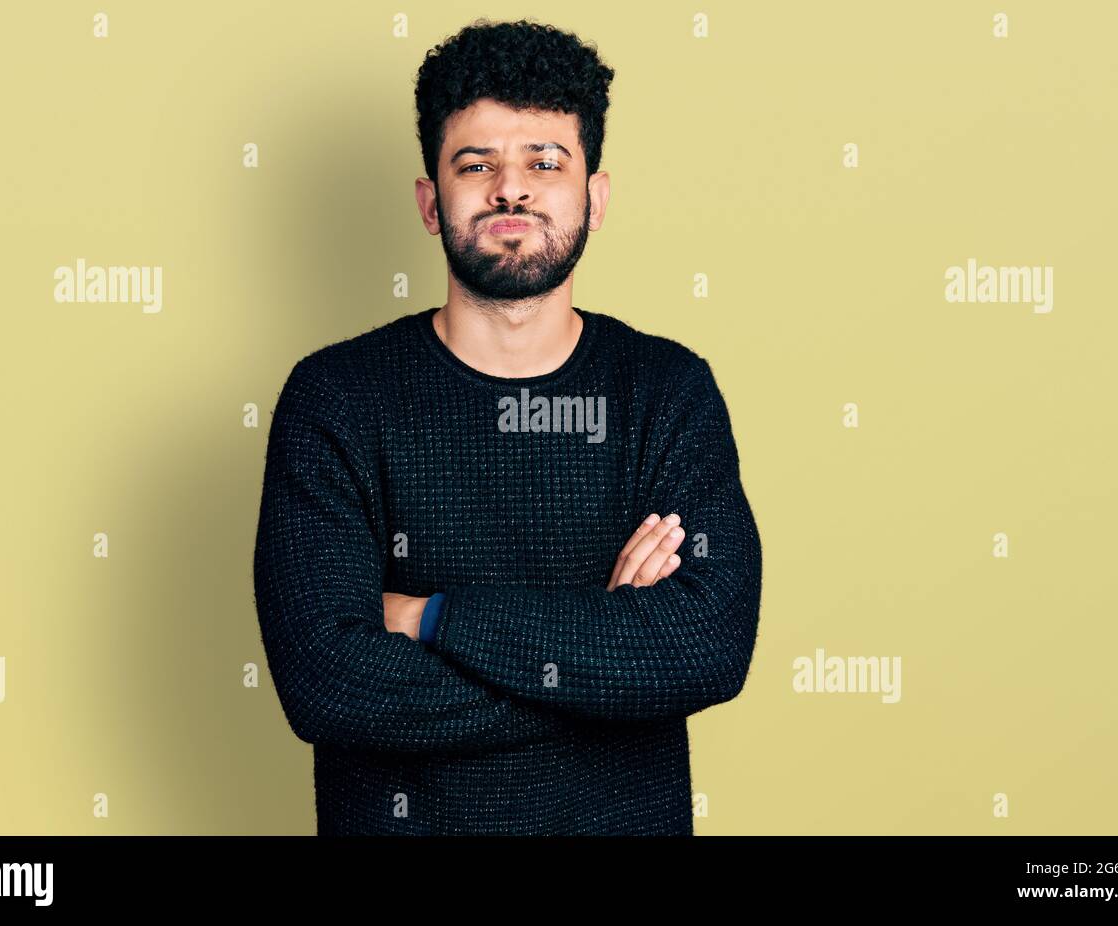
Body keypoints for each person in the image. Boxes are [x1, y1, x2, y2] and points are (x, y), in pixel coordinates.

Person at [252, 17, 762, 835]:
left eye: (543, 162)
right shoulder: (335, 398)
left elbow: (705, 648)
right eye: (475, 164)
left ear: (594, 198)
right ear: (429, 203)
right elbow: (330, 685)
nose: (510, 189)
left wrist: (430, 618)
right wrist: (604, 660)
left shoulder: (668, 392)